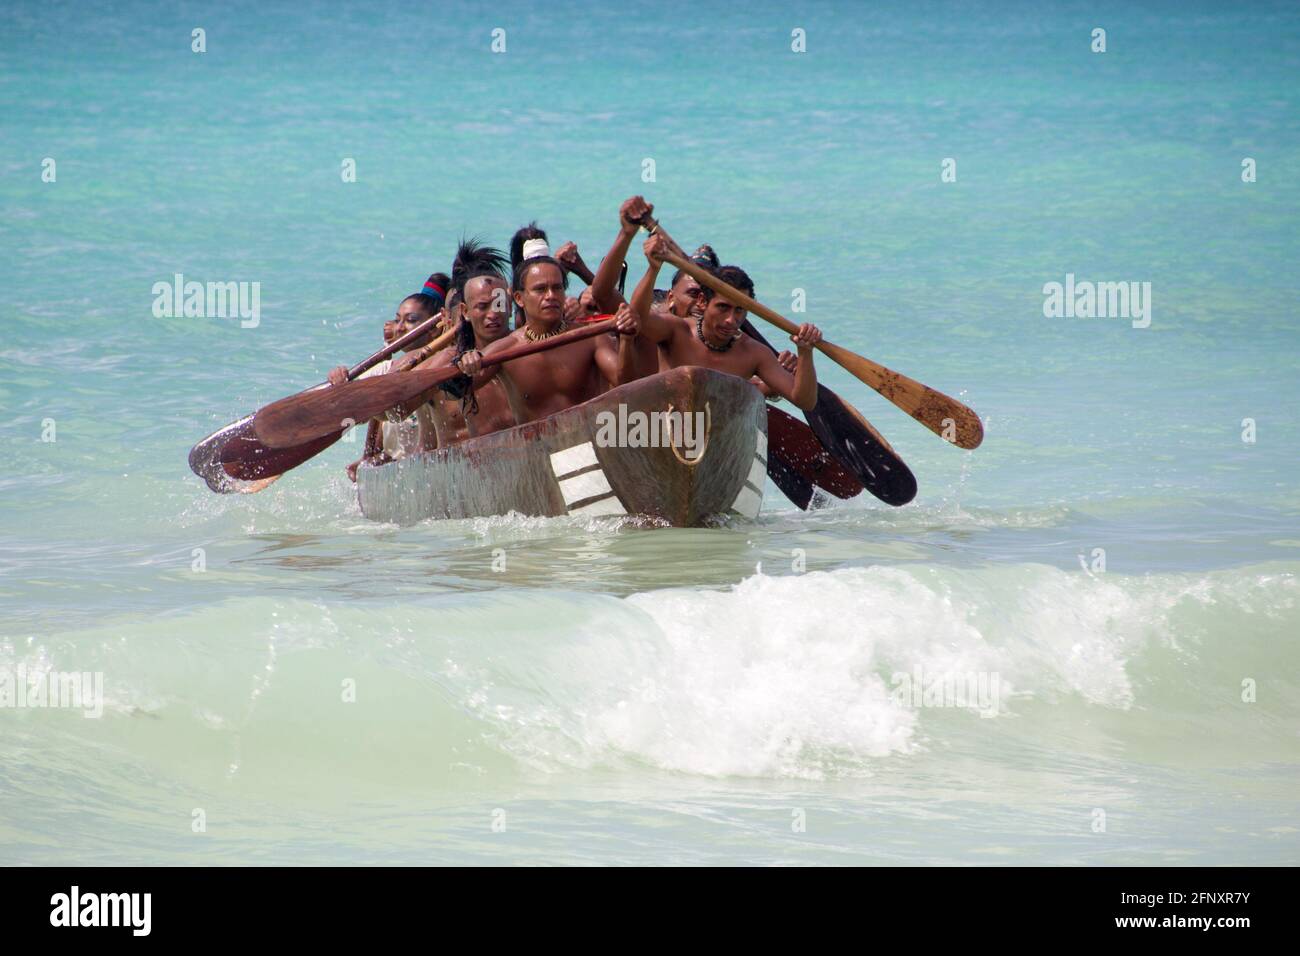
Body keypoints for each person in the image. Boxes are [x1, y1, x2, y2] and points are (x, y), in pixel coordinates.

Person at [629, 231, 823, 410]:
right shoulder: (676, 331)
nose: (731, 320)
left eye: (739, 310)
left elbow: (804, 401)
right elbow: (637, 318)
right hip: (665, 432)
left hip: (718, 440)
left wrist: (805, 352)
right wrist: (653, 269)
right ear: (703, 301)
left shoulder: (754, 353)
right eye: (723, 307)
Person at [456, 240, 639, 424]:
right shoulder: (506, 350)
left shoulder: (591, 338)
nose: (550, 296)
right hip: (537, 448)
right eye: (540, 289)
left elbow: (626, 383)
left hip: (589, 444)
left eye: (557, 288)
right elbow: (458, 389)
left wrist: (627, 340)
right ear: (519, 298)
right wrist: (466, 362)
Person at [404, 240, 517, 444]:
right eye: (482, 306)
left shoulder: (526, 344)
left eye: (499, 304)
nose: (493, 314)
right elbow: (396, 410)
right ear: (465, 312)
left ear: (510, 304)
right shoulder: (450, 358)